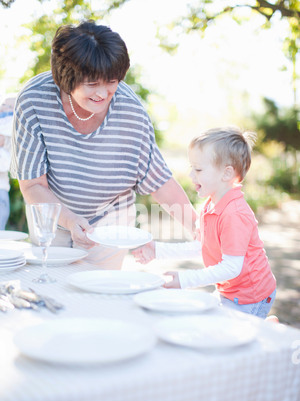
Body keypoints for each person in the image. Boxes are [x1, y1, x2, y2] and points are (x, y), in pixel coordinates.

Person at [11, 21, 197, 268]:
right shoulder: (34, 100)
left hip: (111, 220)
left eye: (111, 81)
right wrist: (69, 220)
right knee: (54, 288)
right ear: (65, 78)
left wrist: (200, 229)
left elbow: (159, 181)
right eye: (92, 84)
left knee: (96, 295)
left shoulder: (130, 111)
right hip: (51, 214)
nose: (103, 93)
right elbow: (33, 184)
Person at [133, 127, 277, 319]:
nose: (192, 175)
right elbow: (202, 247)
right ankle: (268, 325)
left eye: (198, 169)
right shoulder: (211, 205)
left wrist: (185, 280)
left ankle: (268, 327)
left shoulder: (234, 215)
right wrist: (157, 250)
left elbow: (231, 268)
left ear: (226, 174)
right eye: (191, 167)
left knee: (228, 344)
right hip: (230, 291)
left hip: (250, 296)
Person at [0, 95, 15, 230]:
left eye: (8, 106)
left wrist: (5, 140)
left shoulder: (12, 125)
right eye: (3, 104)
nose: (3, 107)